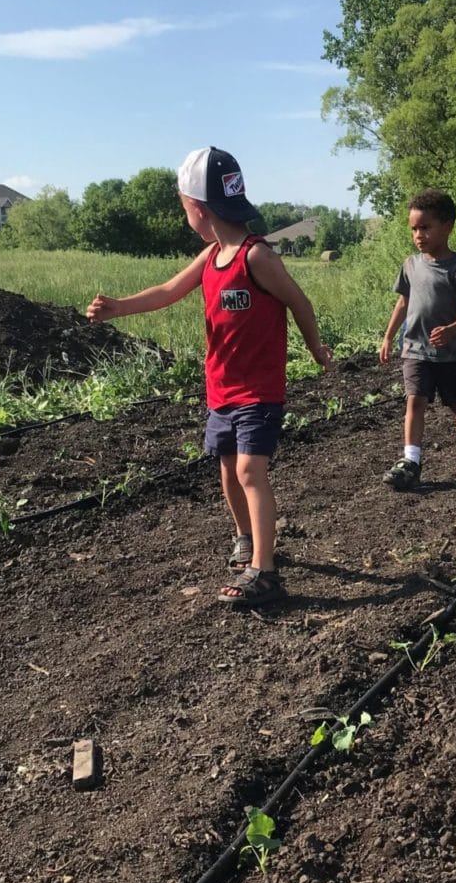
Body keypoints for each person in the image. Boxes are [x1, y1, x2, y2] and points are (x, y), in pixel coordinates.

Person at [86, 147, 332, 608]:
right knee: (227, 470)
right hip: (221, 388)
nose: (185, 215)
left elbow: (300, 302)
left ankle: (266, 571)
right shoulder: (212, 255)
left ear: (197, 208)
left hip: (259, 388)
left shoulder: (256, 257)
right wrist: (119, 307)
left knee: (249, 470)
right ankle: (245, 540)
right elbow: (167, 291)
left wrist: (316, 348)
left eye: (183, 207)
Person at [380, 188, 456, 492]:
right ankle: (410, 460)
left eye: (425, 227)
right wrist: (388, 337)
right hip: (415, 349)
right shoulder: (410, 265)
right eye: (414, 229)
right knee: (415, 401)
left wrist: (453, 328)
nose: (418, 235)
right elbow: (402, 303)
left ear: (448, 225)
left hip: (452, 353)